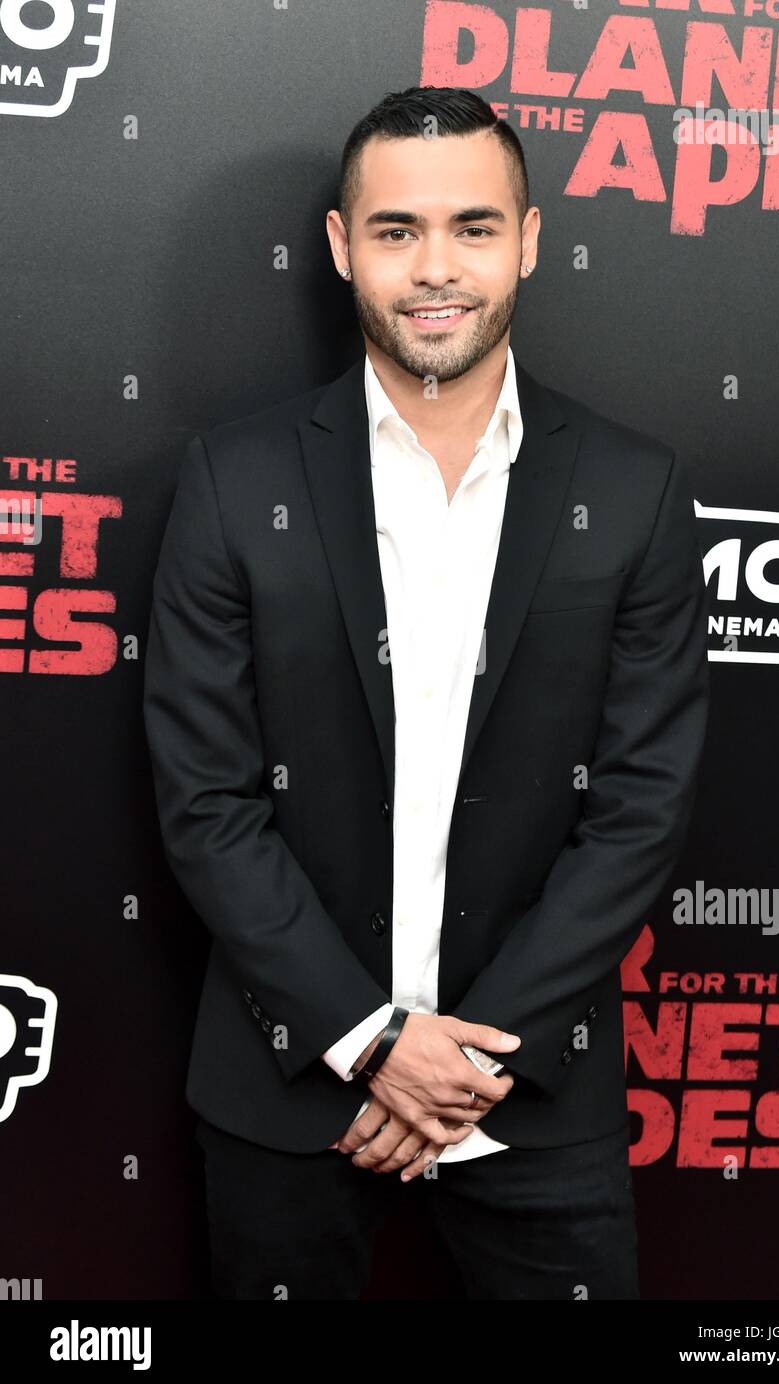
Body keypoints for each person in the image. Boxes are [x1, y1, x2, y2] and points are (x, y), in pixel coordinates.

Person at [142, 85, 710, 1300]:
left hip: (535, 1100)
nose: (436, 267)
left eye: (473, 226)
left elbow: (639, 809)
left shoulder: (635, 487)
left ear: (531, 240)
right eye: (397, 230)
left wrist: (463, 1069)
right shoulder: (234, 482)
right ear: (344, 248)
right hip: (290, 1088)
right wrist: (374, 1043)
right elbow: (207, 801)